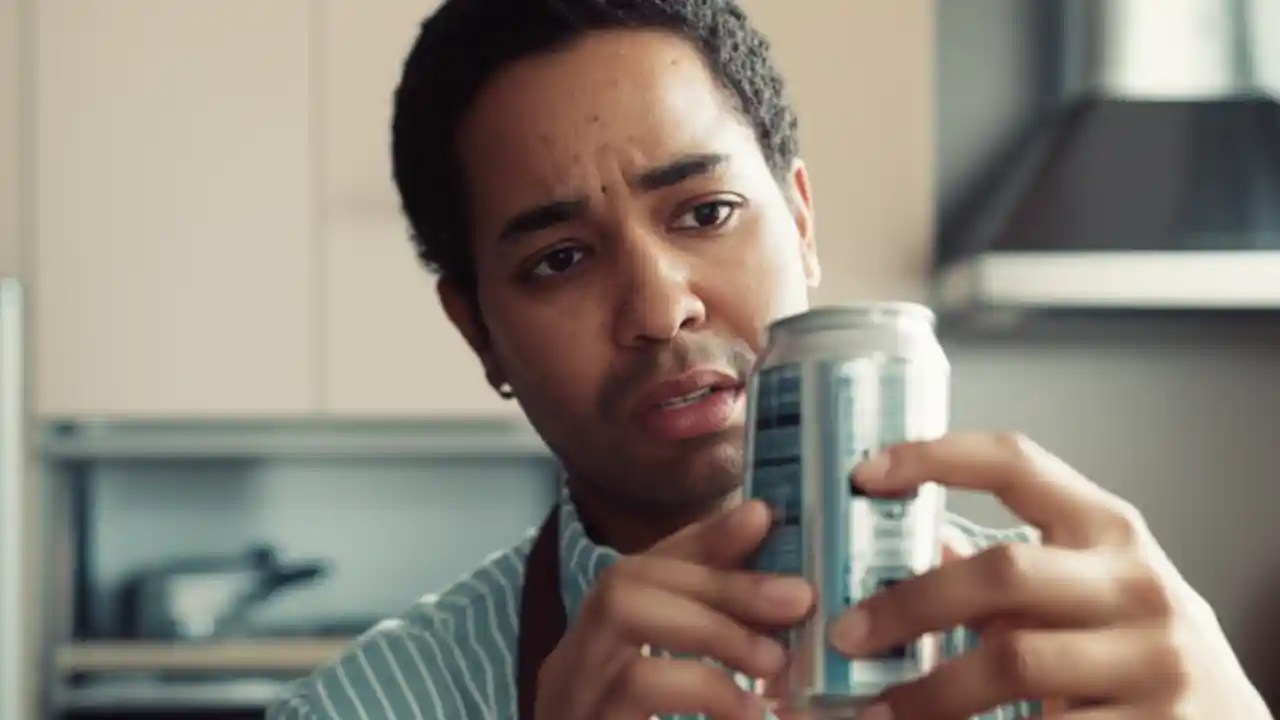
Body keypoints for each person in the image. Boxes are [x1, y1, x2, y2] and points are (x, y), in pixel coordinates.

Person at [268, 0, 1272, 718]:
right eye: (558, 258)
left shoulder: (1073, 658)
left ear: (798, 221)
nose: (661, 307)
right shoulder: (356, 710)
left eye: (706, 213)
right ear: (477, 330)